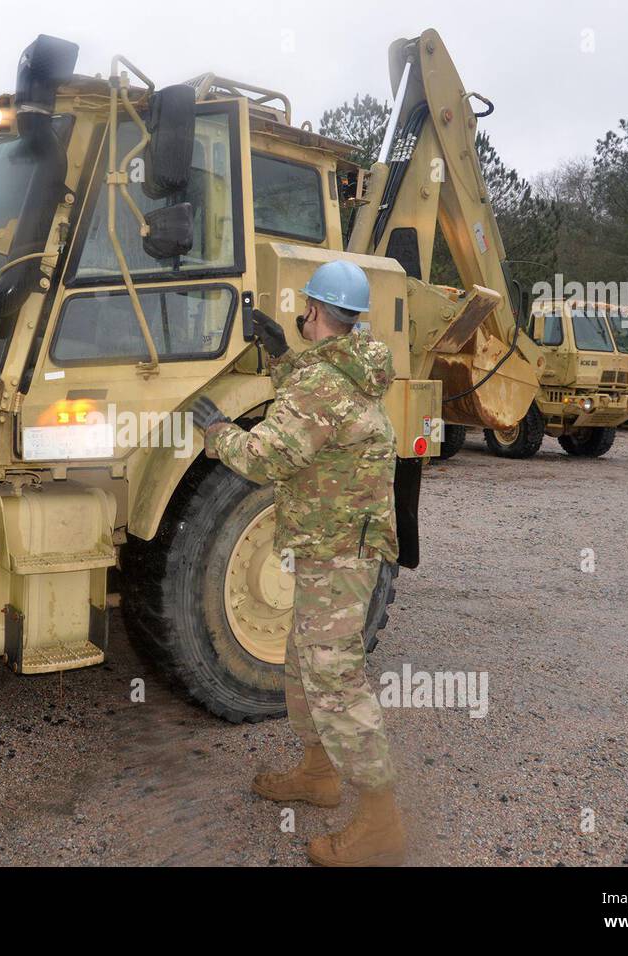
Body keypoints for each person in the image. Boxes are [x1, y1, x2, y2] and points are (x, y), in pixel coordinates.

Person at [190, 259, 404, 867]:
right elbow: (315, 400)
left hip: (338, 553)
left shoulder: (323, 386)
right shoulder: (346, 367)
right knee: (304, 664)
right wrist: (283, 354)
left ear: (314, 312)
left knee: (334, 678)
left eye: (302, 311)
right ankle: (318, 773)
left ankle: (381, 824)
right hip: (334, 547)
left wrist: (218, 430)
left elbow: (268, 457)